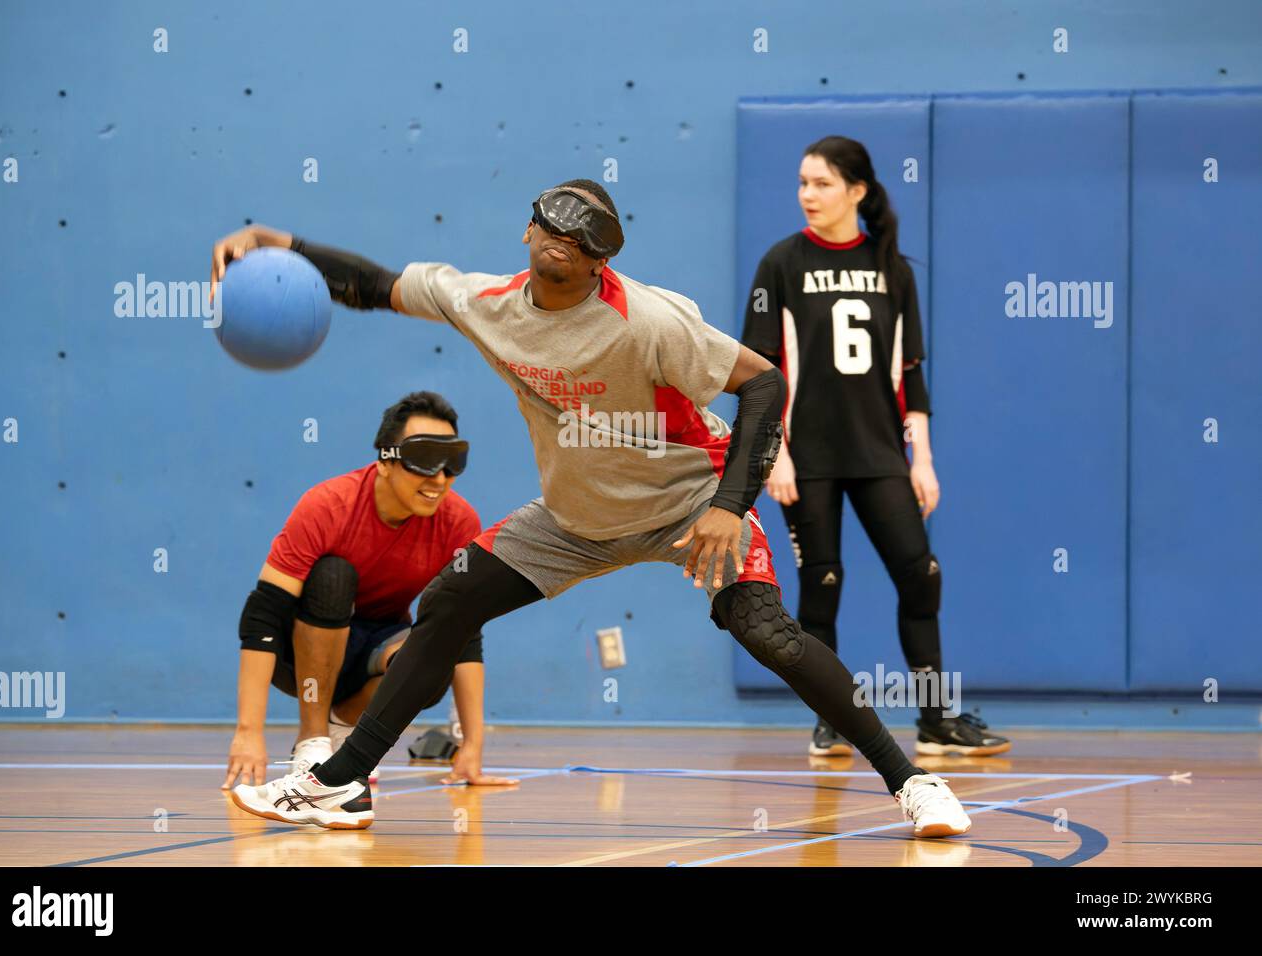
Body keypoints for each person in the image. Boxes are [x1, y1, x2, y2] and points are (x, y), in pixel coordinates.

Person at [212, 179, 972, 836]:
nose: (557, 243)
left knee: (767, 633)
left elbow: (765, 385)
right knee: (449, 600)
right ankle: (343, 781)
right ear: (529, 231)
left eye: (579, 238)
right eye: (549, 226)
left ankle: (912, 782)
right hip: (573, 521)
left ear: (599, 259)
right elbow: (374, 286)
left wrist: (730, 508)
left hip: (689, 503)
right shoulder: (488, 303)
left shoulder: (648, 322)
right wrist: (282, 242)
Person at [742, 136, 1011, 758]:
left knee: (921, 575)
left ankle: (937, 720)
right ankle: (831, 719)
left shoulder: (893, 268)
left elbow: (909, 374)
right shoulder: (779, 264)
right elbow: (757, 371)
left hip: (881, 455)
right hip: (805, 459)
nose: (808, 195)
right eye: (803, 182)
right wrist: (773, 453)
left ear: (856, 191)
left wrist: (923, 458)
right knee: (823, 583)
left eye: (822, 184)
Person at [222, 392, 517, 794]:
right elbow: (263, 615)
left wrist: (472, 746)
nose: (438, 478)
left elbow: (466, 632)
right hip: (301, 654)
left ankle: (345, 731)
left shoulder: (457, 521)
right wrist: (248, 733)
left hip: (376, 651)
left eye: (452, 463)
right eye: (424, 459)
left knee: (437, 651)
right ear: (385, 460)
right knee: (333, 577)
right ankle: (312, 742)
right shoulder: (328, 505)